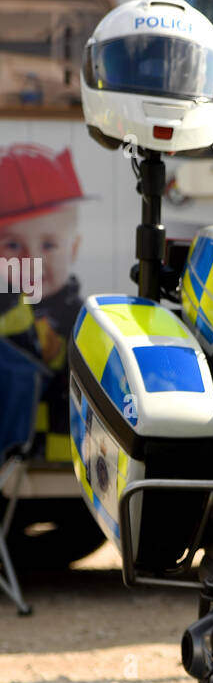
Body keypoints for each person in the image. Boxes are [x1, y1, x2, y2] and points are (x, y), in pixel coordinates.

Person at [0, 144, 85, 462]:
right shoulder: (4, 312)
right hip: (10, 473)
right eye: (12, 244)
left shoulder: (86, 319)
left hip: (68, 470)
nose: (32, 258)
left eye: (48, 244)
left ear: (73, 248)